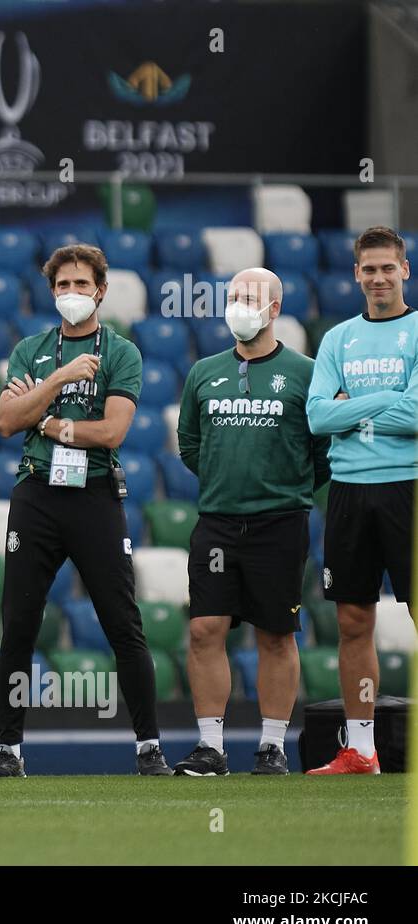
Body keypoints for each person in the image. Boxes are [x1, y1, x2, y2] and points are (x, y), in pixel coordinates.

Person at [0, 243, 168, 777]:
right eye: (62, 286)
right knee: (18, 623)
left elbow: (111, 431)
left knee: (121, 622)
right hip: (37, 494)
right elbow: (3, 421)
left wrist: (45, 420)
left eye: (81, 285)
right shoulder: (32, 350)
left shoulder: (121, 353)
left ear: (101, 291)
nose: (71, 294)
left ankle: (149, 746)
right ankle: (8, 751)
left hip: (93, 495)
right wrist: (59, 382)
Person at [174, 267, 329, 776]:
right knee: (204, 629)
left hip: (280, 522)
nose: (239, 304)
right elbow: (191, 445)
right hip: (217, 521)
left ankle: (271, 746)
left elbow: (323, 452)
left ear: (275, 309)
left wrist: (286, 487)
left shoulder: (307, 373)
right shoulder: (204, 371)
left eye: (251, 297)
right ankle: (211, 747)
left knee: (276, 634)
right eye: (234, 295)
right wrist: (227, 479)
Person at [306, 226, 416, 774]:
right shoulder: (336, 338)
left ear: (404, 271)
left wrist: (355, 404)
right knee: (353, 621)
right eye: (368, 269)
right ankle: (363, 750)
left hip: (408, 487)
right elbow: (318, 416)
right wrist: (388, 400)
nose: (378, 277)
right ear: (355, 274)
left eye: (387, 268)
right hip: (349, 491)